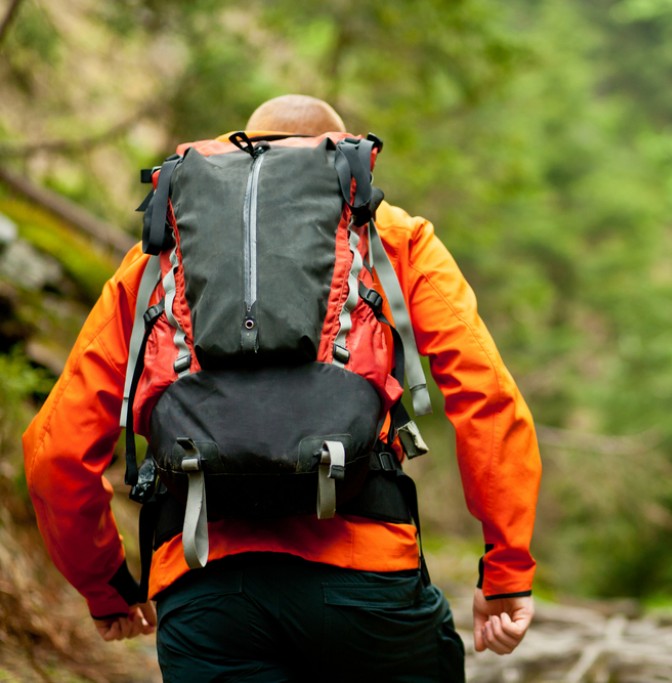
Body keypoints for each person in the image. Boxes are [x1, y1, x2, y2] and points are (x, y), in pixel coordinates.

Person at [22, 94, 542, 680]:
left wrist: (109, 585)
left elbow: (56, 454)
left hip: (206, 593)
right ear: (340, 156)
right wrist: (505, 571)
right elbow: (487, 401)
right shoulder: (389, 235)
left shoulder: (157, 256)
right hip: (366, 580)